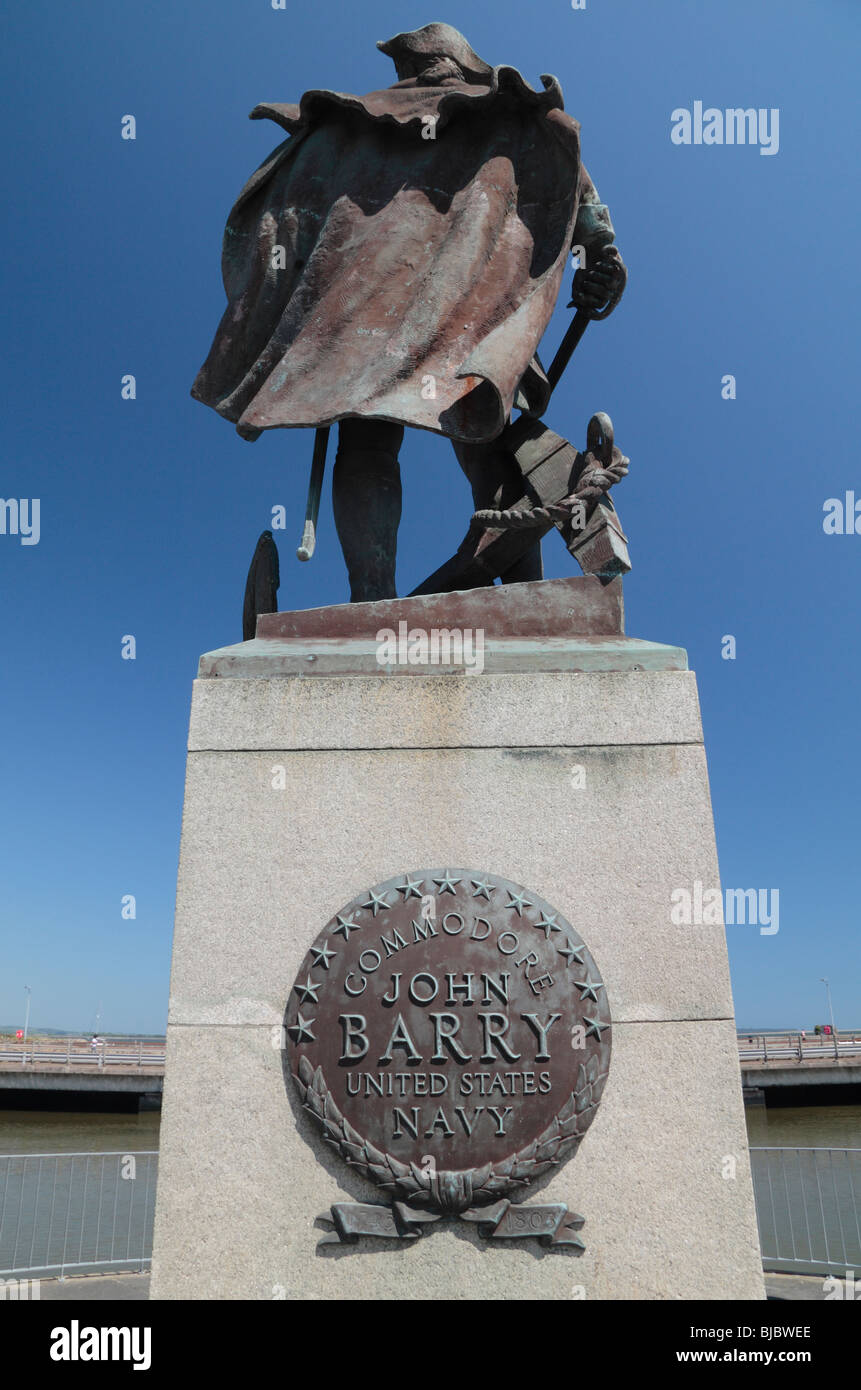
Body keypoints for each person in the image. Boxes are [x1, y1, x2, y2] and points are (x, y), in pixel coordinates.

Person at [192, 23, 626, 600]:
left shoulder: (491, 112)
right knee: (413, 431)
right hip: (392, 303)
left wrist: (602, 262)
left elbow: (576, 195)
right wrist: (601, 257)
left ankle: (502, 593)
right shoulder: (363, 123)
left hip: (456, 301)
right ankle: (380, 602)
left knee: (479, 430)